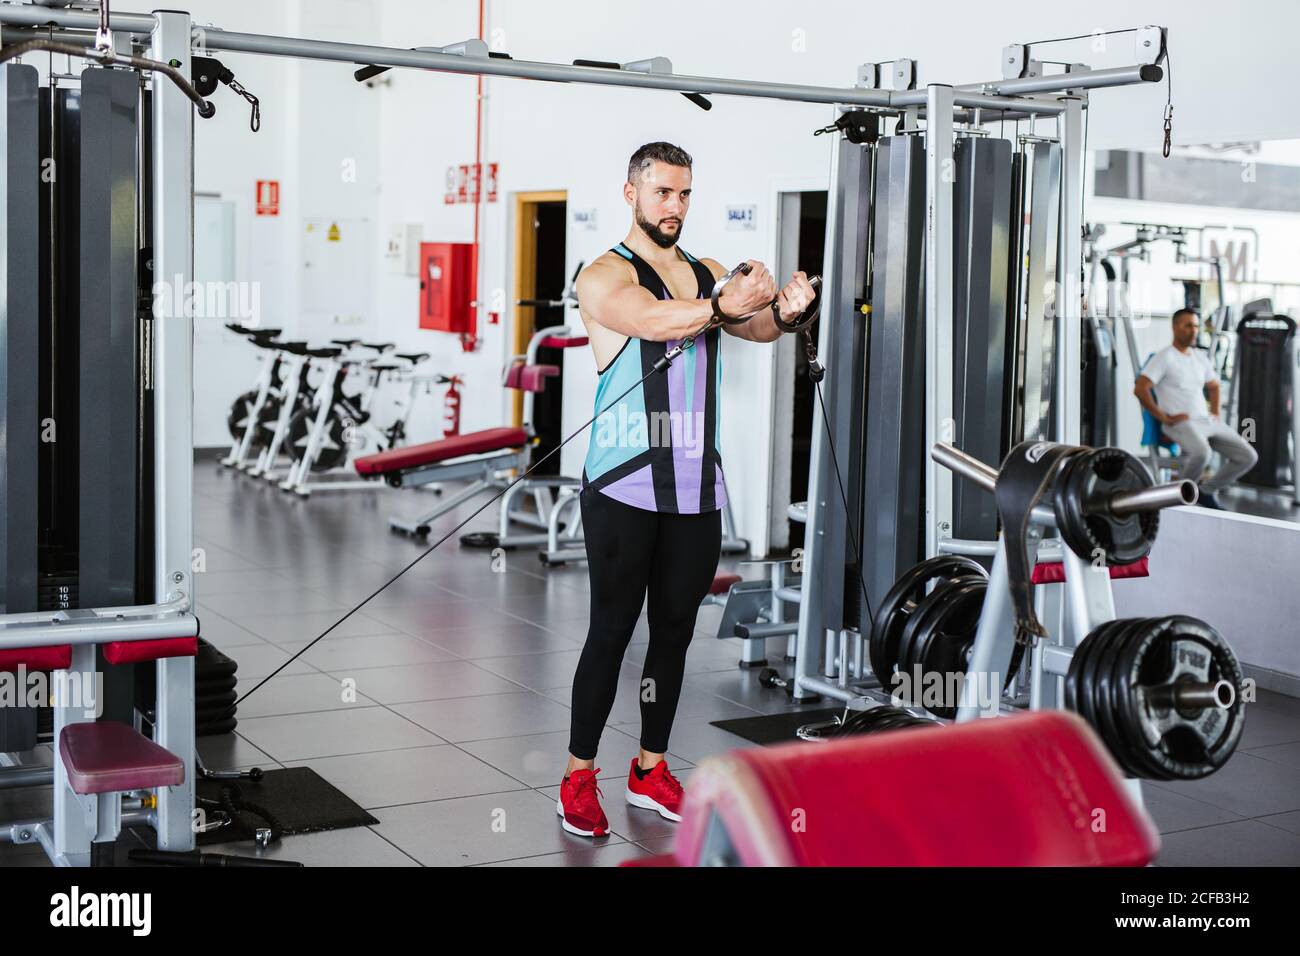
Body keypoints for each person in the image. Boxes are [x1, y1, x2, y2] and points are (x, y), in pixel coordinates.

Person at [556, 142, 816, 837]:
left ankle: (650, 768)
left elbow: (751, 327)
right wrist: (724, 301)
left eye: (684, 194)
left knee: (674, 634)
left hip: (696, 486)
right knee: (611, 632)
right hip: (623, 485)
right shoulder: (604, 273)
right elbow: (649, 319)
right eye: (662, 192)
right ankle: (579, 777)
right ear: (631, 193)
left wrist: (786, 312)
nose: (674, 206)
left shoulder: (702, 269)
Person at [1134, 308, 1258, 510]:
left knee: (1248, 456)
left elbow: (1214, 386)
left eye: (1196, 326)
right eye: (1188, 325)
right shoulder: (1164, 357)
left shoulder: (1200, 357)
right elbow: (1141, 388)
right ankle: (1176, 498)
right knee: (1202, 453)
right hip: (1179, 422)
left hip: (1206, 421)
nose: (1193, 330)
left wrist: (1215, 413)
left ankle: (1206, 491)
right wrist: (1163, 417)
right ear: (1174, 327)